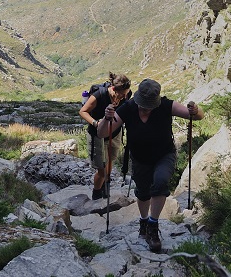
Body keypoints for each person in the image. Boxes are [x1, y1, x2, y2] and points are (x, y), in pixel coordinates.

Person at [98, 78, 204, 253]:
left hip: (164, 155)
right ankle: (144, 221)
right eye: (142, 104)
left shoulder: (166, 105)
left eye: (148, 106)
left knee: (160, 182)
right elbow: (102, 133)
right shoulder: (128, 108)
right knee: (143, 192)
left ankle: (153, 227)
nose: (144, 108)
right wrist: (106, 118)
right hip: (140, 158)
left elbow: (196, 116)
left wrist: (196, 110)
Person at [79, 72, 131, 200]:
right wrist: (96, 123)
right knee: (101, 170)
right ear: (114, 89)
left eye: (126, 94)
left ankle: (104, 191)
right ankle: (97, 194)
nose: (125, 96)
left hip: (115, 134)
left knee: (109, 164)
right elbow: (83, 111)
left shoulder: (126, 94)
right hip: (97, 136)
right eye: (122, 94)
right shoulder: (99, 95)